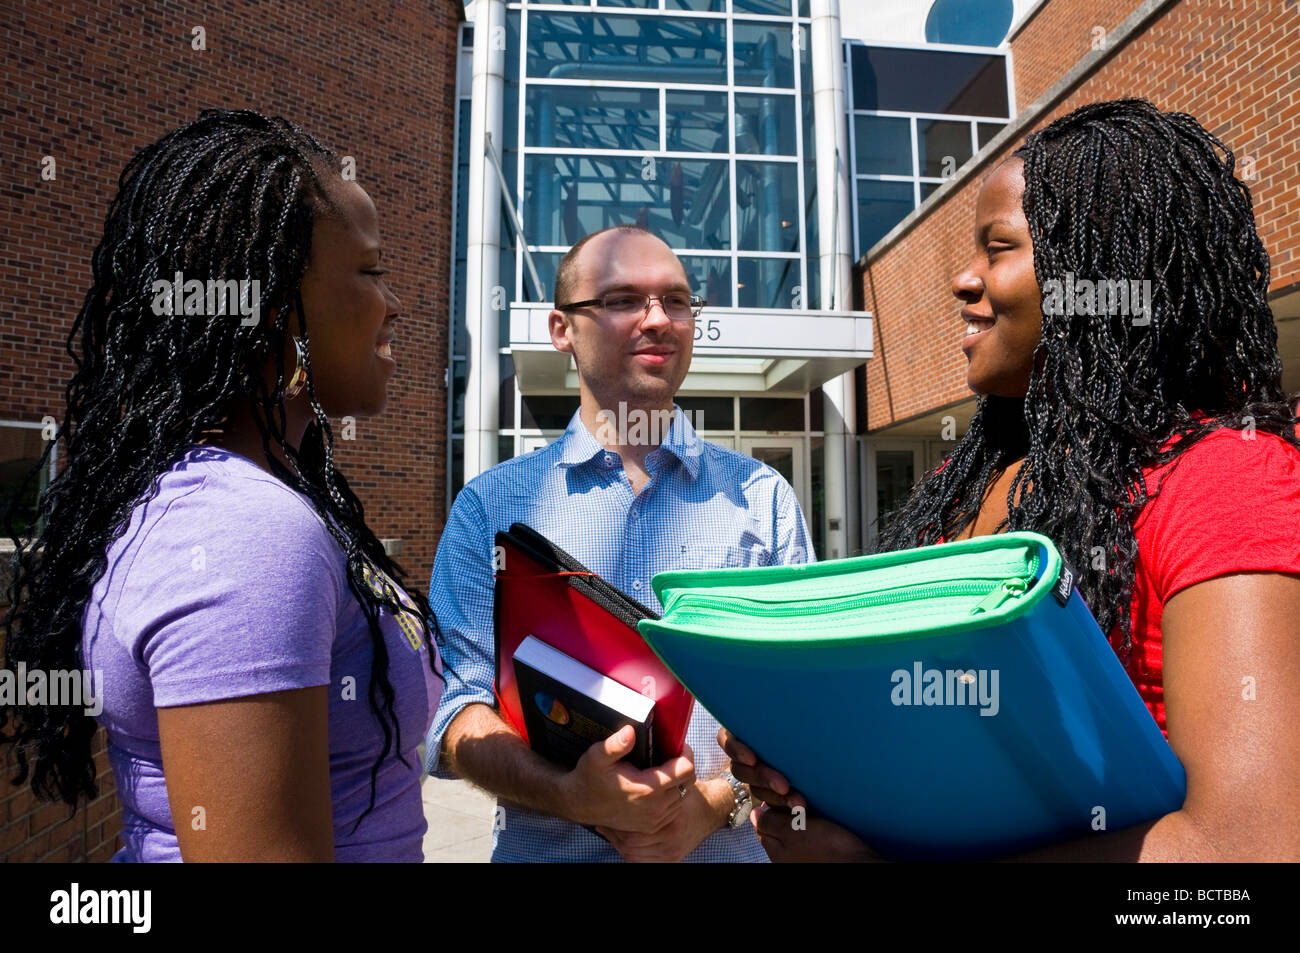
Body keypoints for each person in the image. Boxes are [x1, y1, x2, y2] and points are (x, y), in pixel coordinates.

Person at [722, 98, 1300, 861]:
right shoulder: (978, 482)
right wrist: (807, 753)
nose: (964, 280)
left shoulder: (1225, 477)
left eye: (1000, 248)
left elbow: (1245, 853)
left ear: (1098, 276)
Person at [0, 110, 443, 861]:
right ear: (273, 305)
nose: (394, 302)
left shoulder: (240, 497)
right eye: (370, 270)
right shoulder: (245, 529)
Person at [426, 224, 815, 862]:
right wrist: (569, 794)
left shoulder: (763, 500)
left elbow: (799, 712)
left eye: (678, 301)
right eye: (623, 300)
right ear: (562, 330)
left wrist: (713, 805)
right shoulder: (490, 509)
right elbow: (457, 714)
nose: (658, 319)